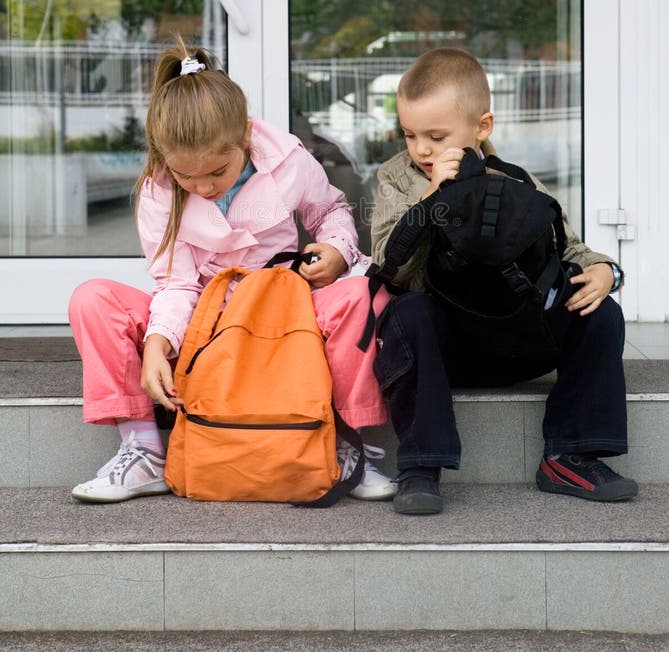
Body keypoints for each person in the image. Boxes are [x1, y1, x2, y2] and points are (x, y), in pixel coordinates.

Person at [69, 38, 393, 504]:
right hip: (203, 323)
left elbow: (331, 212)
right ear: (164, 159)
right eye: (186, 177)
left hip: (282, 317)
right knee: (93, 299)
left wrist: (338, 251)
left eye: (217, 172)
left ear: (244, 136)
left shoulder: (287, 159)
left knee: (366, 296)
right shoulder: (158, 189)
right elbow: (176, 282)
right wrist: (158, 343)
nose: (201, 187)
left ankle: (344, 442)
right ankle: (142, 449)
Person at [371, 47, 638, 515]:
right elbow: (387, 265)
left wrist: (604, 271)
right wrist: (432, 199)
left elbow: (567, 248)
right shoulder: (398, 178)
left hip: (515, 337)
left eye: (436, 136)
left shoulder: (517, 181)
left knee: (601, 313)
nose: (421, 150)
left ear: (482, 127)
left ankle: (570, 455)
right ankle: (420, 465)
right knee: (407, 310)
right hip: (443, 347)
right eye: (410, 135)